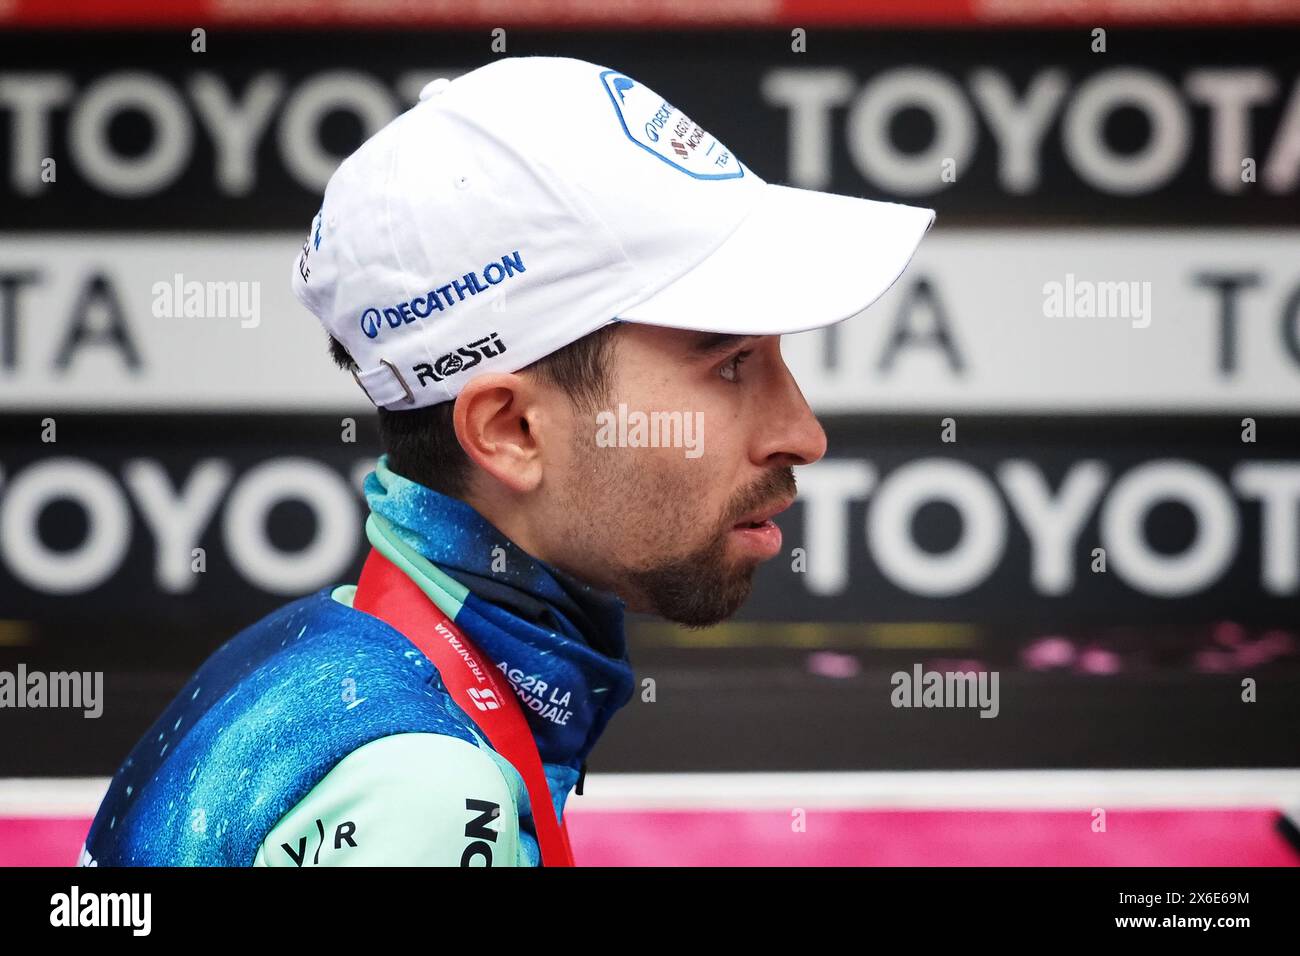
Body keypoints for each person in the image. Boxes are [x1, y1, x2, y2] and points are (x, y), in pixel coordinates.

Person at [78, 55, 934, 867]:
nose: (804, 433)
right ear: (512, 431)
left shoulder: (314, 658)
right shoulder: (421, 782)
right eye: (731, 363)